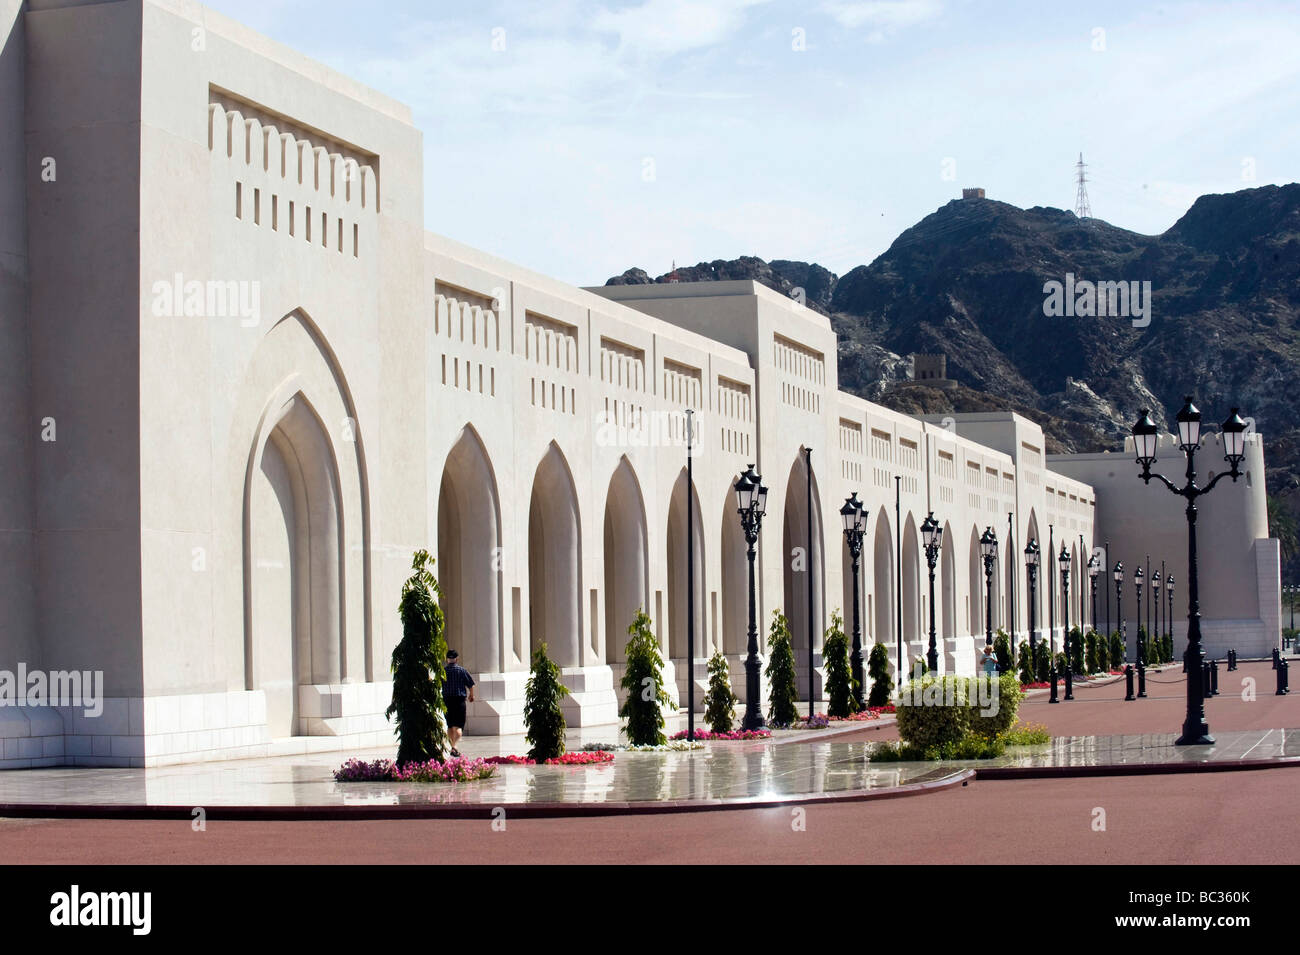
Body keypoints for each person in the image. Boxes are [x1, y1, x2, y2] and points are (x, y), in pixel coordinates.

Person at [443, 650, 475, 758]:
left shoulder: (443, 671)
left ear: (447, 659)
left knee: (450, 725)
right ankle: (455, 746)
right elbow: (470, 684)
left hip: (447, 700)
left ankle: (452, 745)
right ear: (457, 659)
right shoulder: (461, 670)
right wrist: (471, 695)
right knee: (458, 726)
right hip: (459, 700)